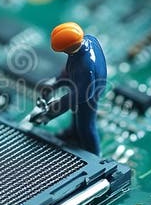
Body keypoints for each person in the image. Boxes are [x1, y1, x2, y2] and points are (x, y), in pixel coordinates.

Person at [43, 22, 107, 155]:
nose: (63, 52)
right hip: (82, 84)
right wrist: (56, 82)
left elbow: (84, 94)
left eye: (63, 50)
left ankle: (93, 154)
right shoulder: (88, 40)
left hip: (90, 94)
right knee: (75, 112)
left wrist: (59, 105)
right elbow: (70, 69)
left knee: (86, 125)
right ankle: (73, 133)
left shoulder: (86, 66)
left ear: (70, 47)